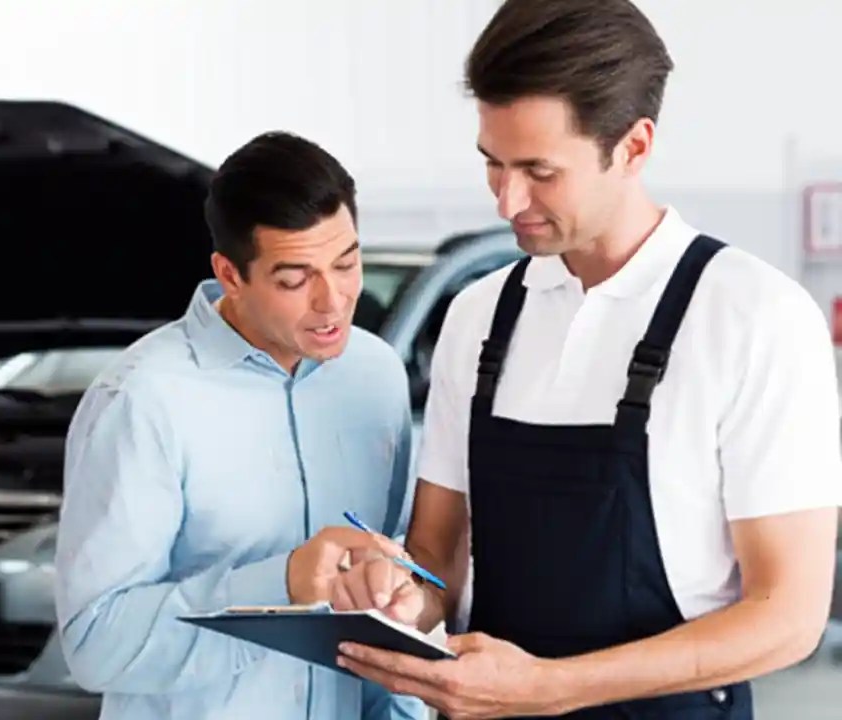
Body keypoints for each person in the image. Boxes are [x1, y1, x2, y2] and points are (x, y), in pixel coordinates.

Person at [330, 1, 842, 718]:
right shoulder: (477, 317)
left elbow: (787, 616)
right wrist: (390, 599)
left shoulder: (756, 317)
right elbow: (436, 564)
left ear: (633, 147)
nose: (510, 201)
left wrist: (546, 688)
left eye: (540, 170)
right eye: (493, 165)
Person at [54, 131, 428, 719]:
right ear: (230, 275)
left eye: (347, 263)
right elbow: (95, 645)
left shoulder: (376, 374)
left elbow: (389, 578)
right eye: (294, 279)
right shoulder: (143, 400)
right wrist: (280, 585)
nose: (333, 301)